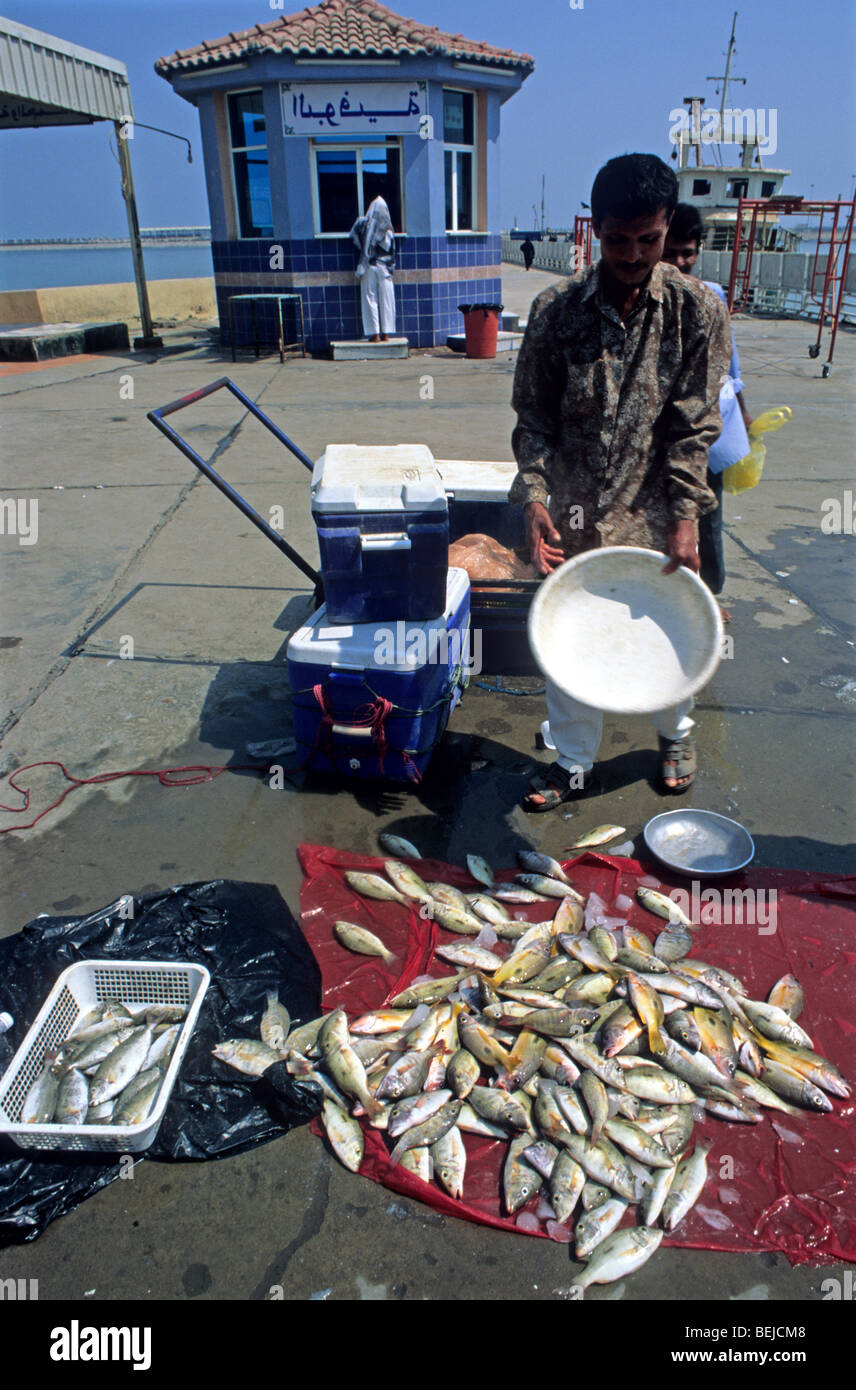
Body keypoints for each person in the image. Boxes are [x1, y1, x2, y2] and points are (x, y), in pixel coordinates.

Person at [510, 153, 732, 811]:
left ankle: (675, 738)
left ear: (667, 229)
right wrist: (534, 498)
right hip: (575, 516)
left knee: (672, 635)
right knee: (569, 644)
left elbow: (696, 425)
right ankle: (573, 761)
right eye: (616, 240)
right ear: (594, 229)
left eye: (649, 239)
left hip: (660, 513)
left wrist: (688, 516)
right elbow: (533, 422)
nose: (632, 254)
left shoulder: (698, 312)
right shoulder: (555, 313)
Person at [661, 203, 753, 618]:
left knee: (708, 514)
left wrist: (745, 415)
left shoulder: (712, 298)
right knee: (664, 516)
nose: (680, 263)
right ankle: (666, 591)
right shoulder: (648, 298)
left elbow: (731, 368)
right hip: (664, 431)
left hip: (709, 434)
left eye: (688, 253)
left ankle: (710, 596)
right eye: (671, 253)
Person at [350, 196, 396, 342]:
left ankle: (374, 334)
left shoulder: (363, 224)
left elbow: (353, 236)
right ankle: (386, 334)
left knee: (370, 299)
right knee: (387, 301)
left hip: (369, 265)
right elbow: (390, 247)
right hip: (385, 268)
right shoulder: (388, 227)